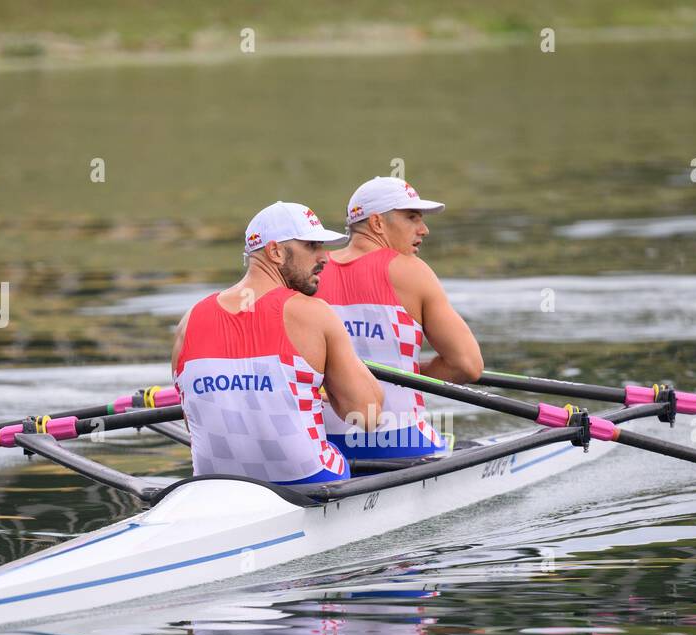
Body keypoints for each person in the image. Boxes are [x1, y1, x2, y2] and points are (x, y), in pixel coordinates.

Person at [171, 201, 382, 484]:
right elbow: (366, 417)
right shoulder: (314, 313)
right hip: (307, 480)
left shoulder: (190, 320)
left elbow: (194, 420)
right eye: (311, 246)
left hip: (213, 484)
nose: (324, 257)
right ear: (276, 251)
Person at [316, 176, 484, 459]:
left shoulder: (309, 273)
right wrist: (410, 376)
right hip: (398, 440)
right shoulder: (412, 271)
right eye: (412, 217)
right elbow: (467, 366)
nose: (424, 229)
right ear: (378, 223)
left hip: (324, 445)